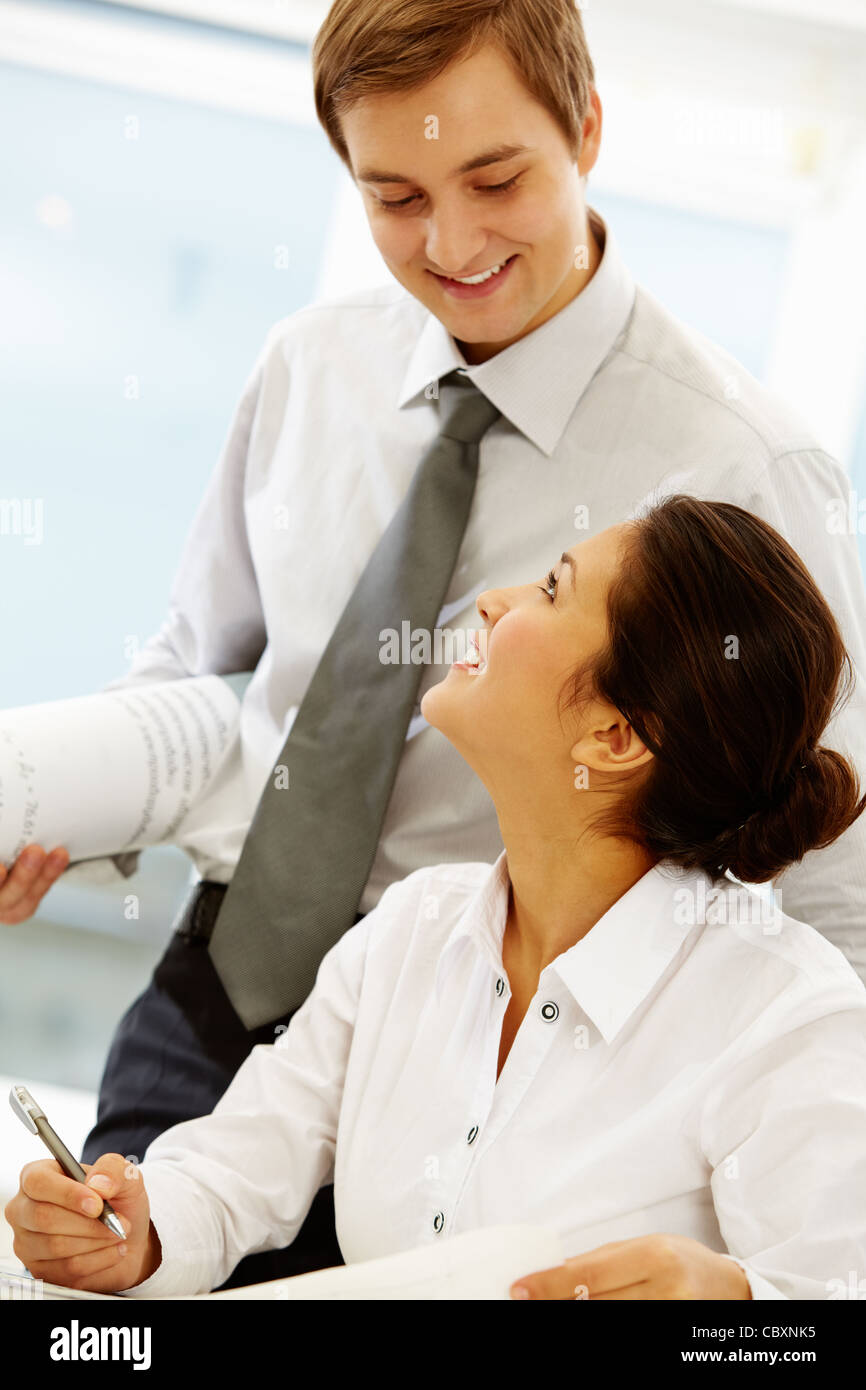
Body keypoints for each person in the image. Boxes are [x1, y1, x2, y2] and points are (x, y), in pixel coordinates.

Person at [3, 0, 866, 1290]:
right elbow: (200, 668)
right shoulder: (310, 366)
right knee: (113, 1278)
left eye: (494, 178)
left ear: (583, 125)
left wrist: (751, 1265)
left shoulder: (741, 464)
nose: (449, 241)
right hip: (230, 972)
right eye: (393, 195)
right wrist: (52, 806)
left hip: (543, 1035)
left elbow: (822, 890)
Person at [7, 496, 866, 1301]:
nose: (494, 601)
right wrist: (136, 1235)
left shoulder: (787, 1016)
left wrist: (739, 1305)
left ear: (614, 737)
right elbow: (235, 1174)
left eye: (552, 589)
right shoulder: (413, 929)